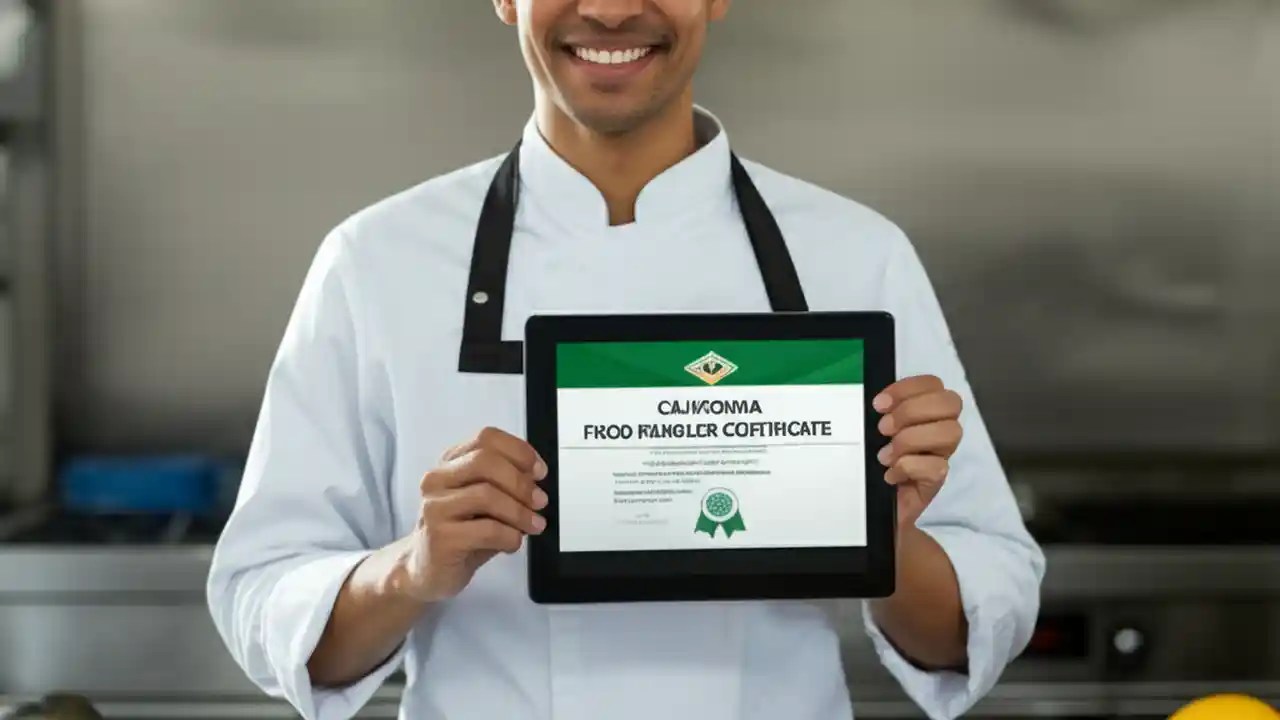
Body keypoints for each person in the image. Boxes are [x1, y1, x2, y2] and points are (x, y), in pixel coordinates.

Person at [206, 1, 1045, 719]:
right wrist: (412, 570)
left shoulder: (857, 256)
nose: (610, 9)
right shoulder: (377, 261)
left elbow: (980, 620)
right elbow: (263, 601)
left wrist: (879, 537)